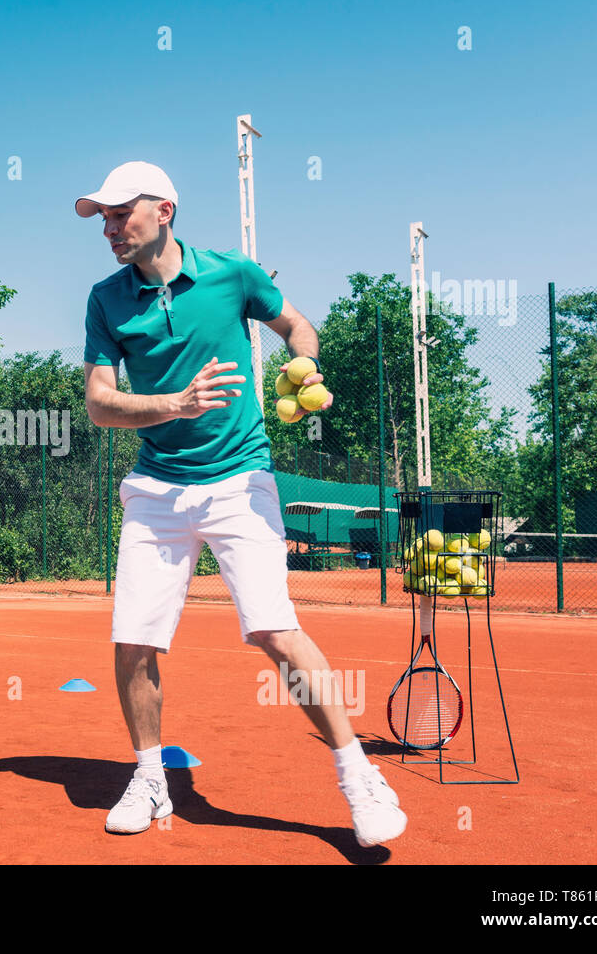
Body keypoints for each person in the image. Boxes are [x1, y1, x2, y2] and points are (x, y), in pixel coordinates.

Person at [76, 161, 407, 846]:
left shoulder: (233, 274)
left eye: (119, 214)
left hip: (238, 478)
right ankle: (149, 777)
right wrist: (174, 403)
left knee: (273, 629)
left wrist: (305, 365)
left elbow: (298, 326)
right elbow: (100, 403)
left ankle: (359, 776)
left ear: (163, 209)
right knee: (133, 638)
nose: (109, 228)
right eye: (102, 218)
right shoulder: (106, 299)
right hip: (157, 486)